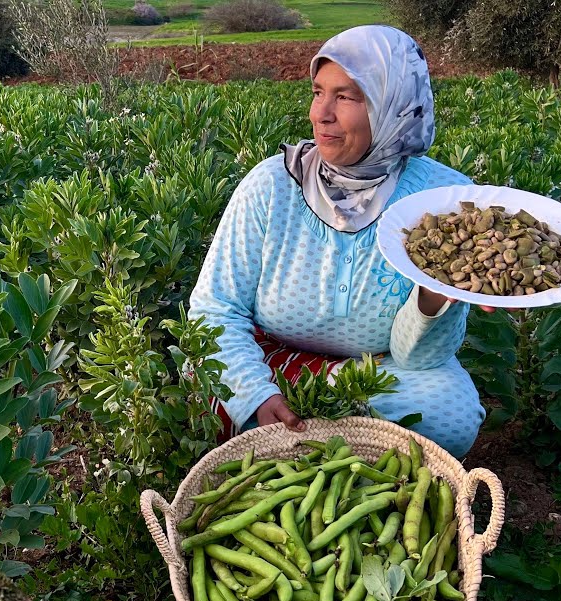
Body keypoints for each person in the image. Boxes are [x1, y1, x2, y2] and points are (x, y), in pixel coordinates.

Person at [189, 25, 486, 458]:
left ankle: (298, 445)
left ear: (392, 106)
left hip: (376, 372)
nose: (321, 114)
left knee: (450, 415)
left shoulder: (443, 203)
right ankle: (354, 443)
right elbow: (216, 307)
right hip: (272, 360)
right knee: (212, 377)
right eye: (318, 92)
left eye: (346, 97)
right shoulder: (272, 185)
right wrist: (254, 393)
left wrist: (434, 297)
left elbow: (418, 360)